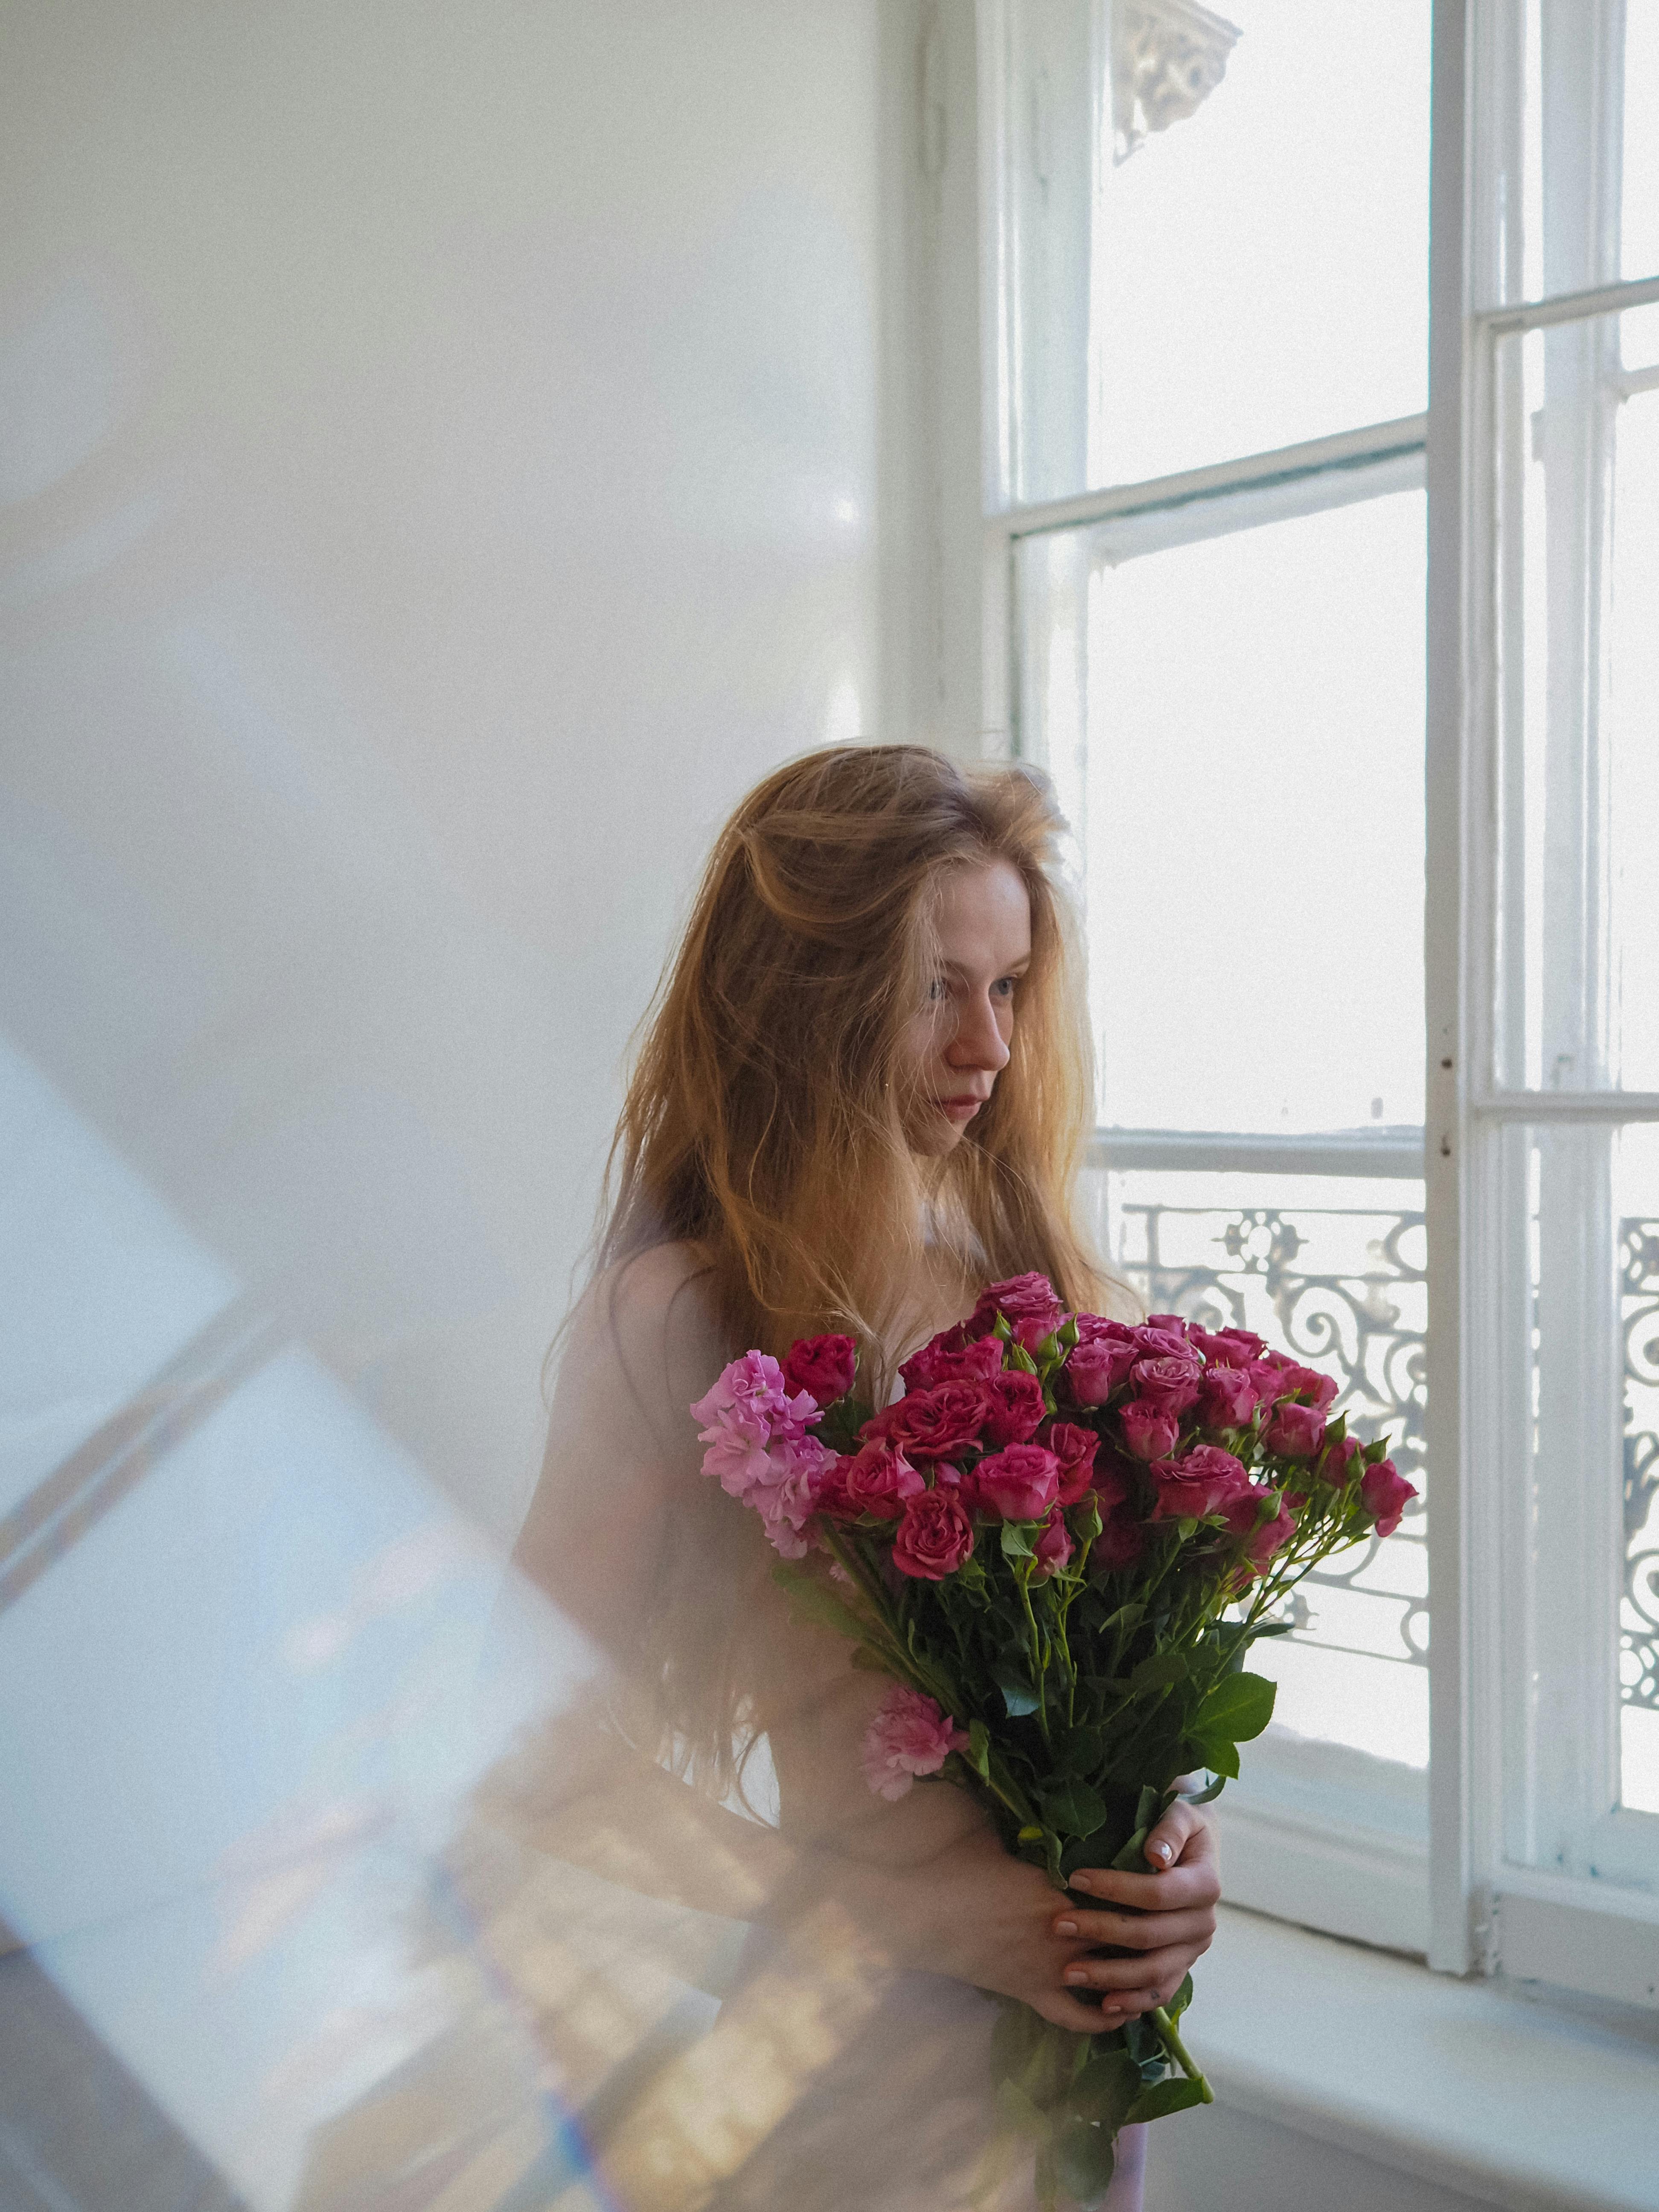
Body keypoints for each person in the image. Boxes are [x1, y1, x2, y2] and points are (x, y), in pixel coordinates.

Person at [505, 745, 1221, 2210]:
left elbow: (1114, 1689)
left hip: (1086, 2071)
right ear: (805, 1004)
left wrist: (1172, 1865)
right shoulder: (682, 1317)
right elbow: (520, 1754)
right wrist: (925, 1917)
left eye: (1010, 986)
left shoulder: (1047, 1294)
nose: (990, 1049)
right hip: (849, 2067)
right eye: (934, 989)